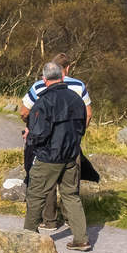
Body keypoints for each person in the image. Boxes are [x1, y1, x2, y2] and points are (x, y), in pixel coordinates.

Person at [19, 52, 91, 229]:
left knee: (44, 185)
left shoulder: (38, 88)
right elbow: (87, 113)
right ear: (67, 69)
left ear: (45, 77)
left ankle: (49, 220)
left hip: (48, 147)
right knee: (70, 191)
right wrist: (77, 134)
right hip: (71, 144)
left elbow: (24, 111)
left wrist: (31, 128)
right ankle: (73, 225)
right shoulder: (79, 86)